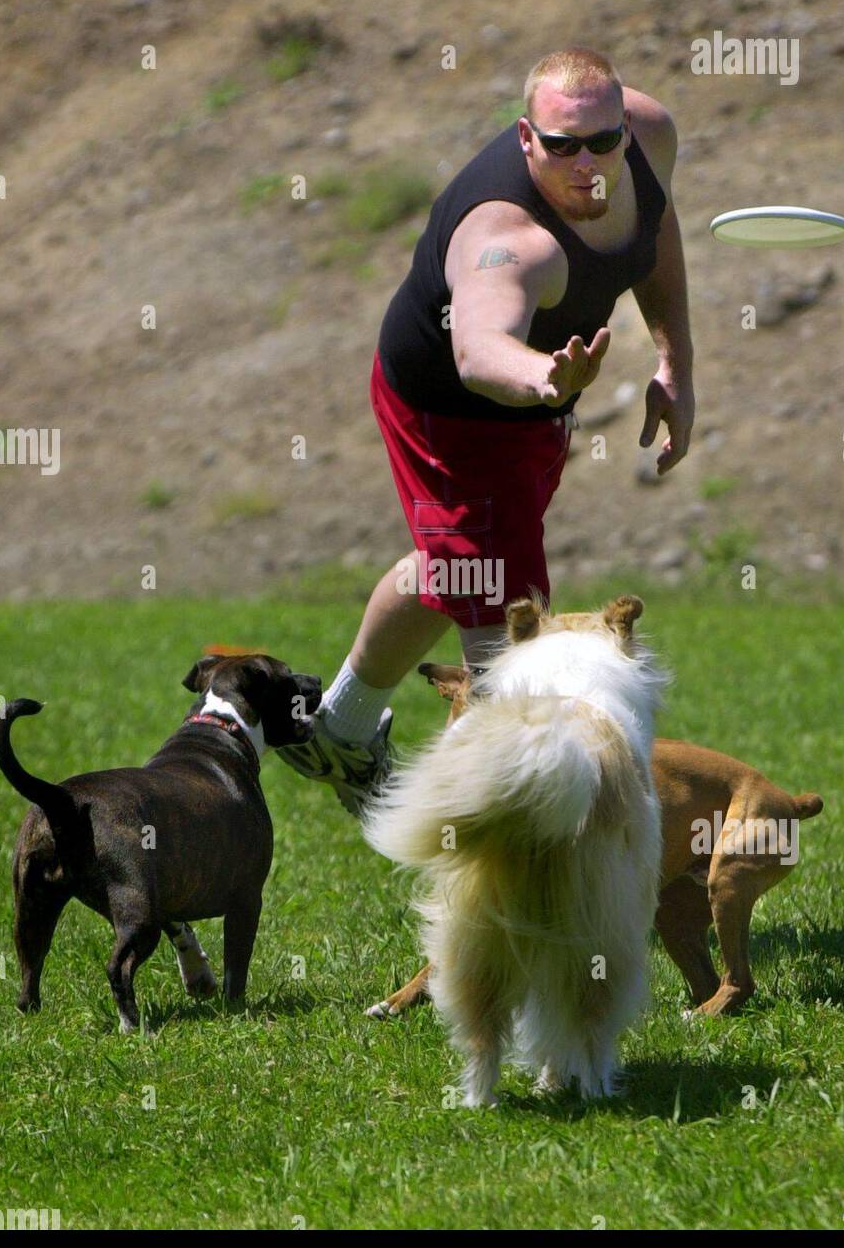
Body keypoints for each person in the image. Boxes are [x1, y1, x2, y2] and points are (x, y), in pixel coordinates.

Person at [277, 46, 695, 814]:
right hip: (451, 411)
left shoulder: (648, 137)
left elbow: (655, 231)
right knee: (511, 620)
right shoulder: (503, 236)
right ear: (525, 138)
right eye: (560, 145)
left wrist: (675, 363)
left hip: (540, 406)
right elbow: (476, 348)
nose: (586, 162)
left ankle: (337, 728)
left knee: (457, 561)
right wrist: (541, 377)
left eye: (603, 140)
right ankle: (513, 826)